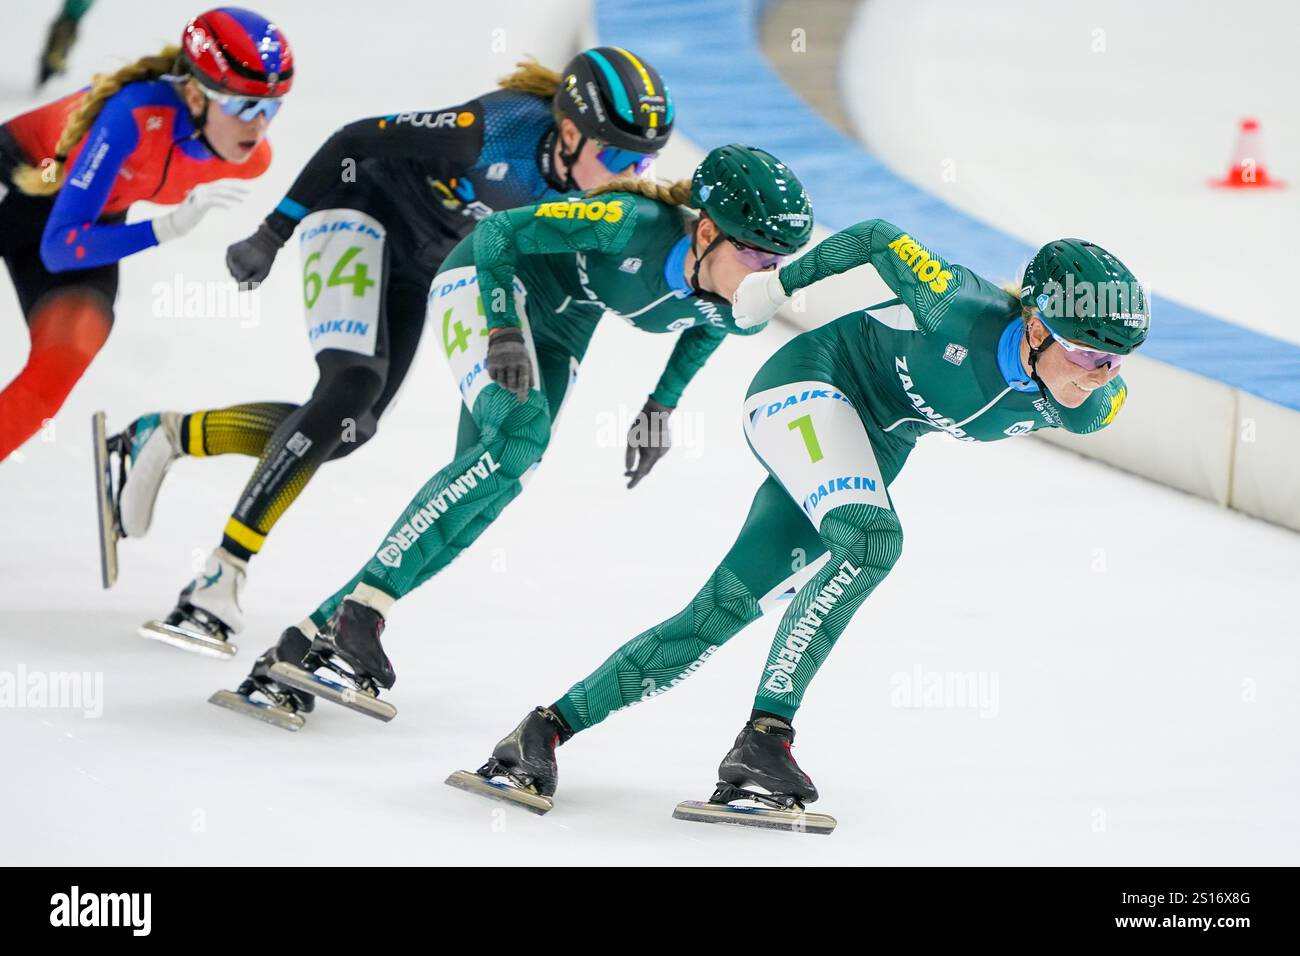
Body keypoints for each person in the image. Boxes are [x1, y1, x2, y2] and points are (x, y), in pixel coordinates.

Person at [453, 222, 1149, 827]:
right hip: (808, 387)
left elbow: (1094, 389)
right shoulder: (956, 304)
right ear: (1034, 327)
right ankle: (766, 737)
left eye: (1115, 359)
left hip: (870, 440)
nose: (1100, 374)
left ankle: (541, 732)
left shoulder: (1090, 402)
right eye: (1089, 353)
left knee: (718, 613)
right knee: (874, 541)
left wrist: (1100, 375)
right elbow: (877, 237)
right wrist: (776, 290)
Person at [213, 144, 815, 731]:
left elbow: (702, 326)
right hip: (489, 280)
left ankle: (303, 643)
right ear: (707, 232)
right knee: (517, 441)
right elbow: (501, 232)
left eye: (782, 261)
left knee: (492, 488)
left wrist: (661, 405)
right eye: (761, 256)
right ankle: (363, 613)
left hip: (562, 325)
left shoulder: (739, 300)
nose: (772, 275)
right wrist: (501, 325)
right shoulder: (628, 222)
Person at [108, 47, 676, 656]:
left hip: (426, 263)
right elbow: (355, 139)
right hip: (362, 207)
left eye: (645, 158)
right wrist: (274, 231)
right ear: (568, 132)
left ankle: (167, 436)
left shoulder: (596, 199)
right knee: (348, 387)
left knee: (351, 427)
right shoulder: (495, 130)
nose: (631, 172)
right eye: (618, 155)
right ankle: (220, 574)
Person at [0, 6, 292, 463]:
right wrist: (163, 229)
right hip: (17, 174)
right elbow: (60, 247)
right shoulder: (132, 116)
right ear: (195, 97)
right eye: (244, 104)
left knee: (71, 347)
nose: (258, 124)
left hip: (89, 217)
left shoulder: (248, 155)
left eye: (271, 107)